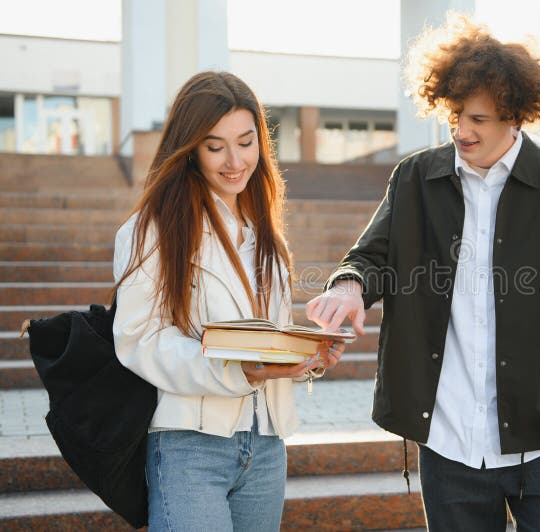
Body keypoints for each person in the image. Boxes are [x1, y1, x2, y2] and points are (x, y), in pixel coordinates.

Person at [306, 15, 540, 532]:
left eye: (479, 120)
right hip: (447, 445)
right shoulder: (416, 177)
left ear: (517, 117)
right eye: (456, 114)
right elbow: (370, 256)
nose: (462, 131)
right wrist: (349, 286)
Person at [112, 71, 345, 532]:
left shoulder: (265, 235)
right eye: (215, 146)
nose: (235, 161)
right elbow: (138, 341)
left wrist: (306, 356)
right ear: (190, 148)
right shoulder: (152, 230)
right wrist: (233, 369)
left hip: (265, 445)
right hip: (189, 444)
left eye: (246, 141)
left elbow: (266, 339)